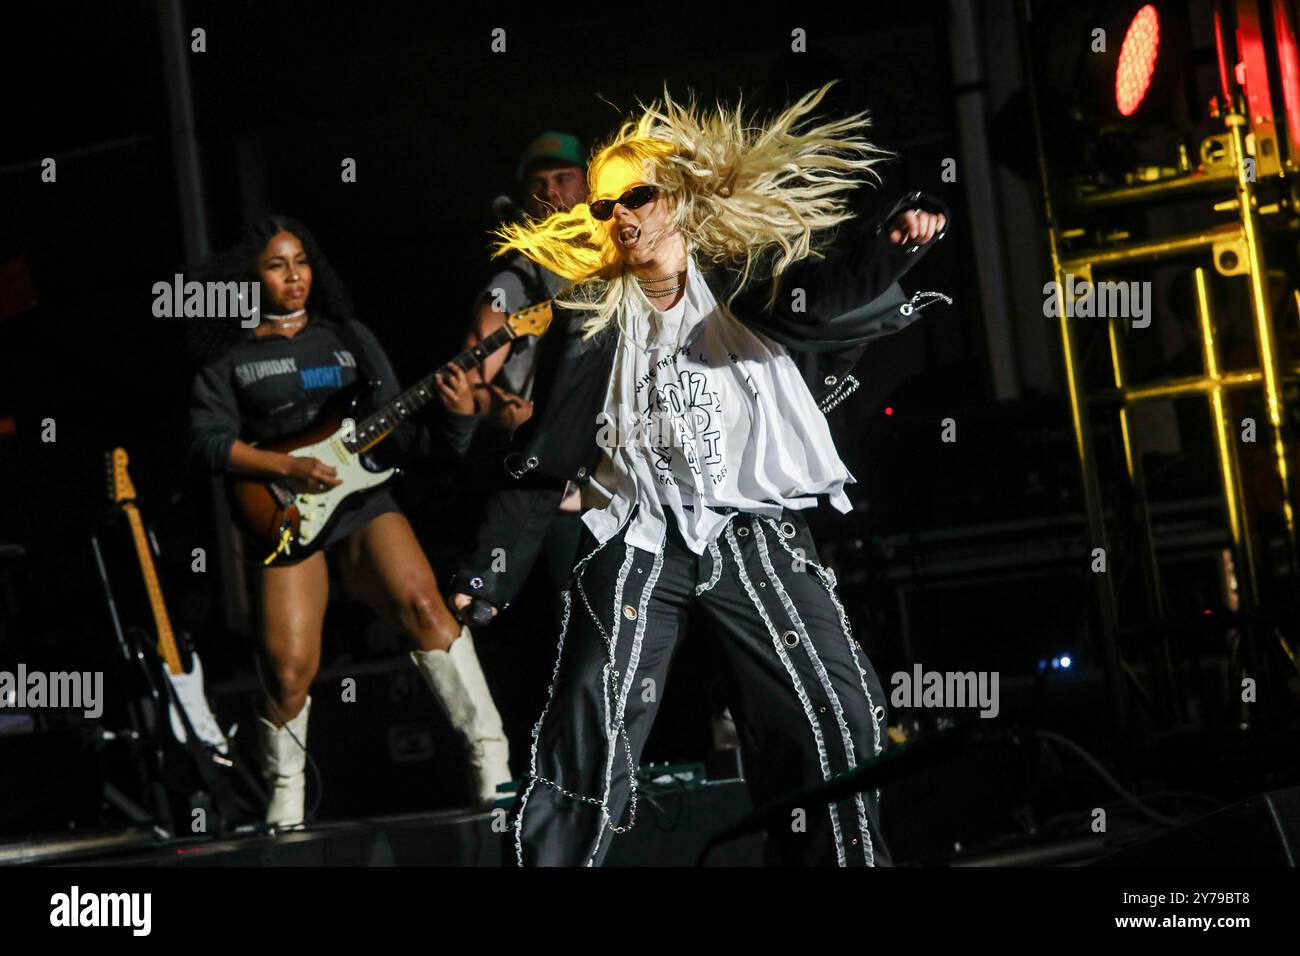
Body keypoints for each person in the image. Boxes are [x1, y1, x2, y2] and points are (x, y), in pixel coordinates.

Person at [450, 82, 951, 866]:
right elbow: (543, 452)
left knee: (835, 708)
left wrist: (894, 246)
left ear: (677, 200)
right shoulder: (589, 322)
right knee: (592, 722)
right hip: (640, 537)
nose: (619, 214)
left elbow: (829, 299)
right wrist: (488, 570)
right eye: (604, 204)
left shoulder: (746, 281)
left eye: (638, 196)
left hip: (746, 525)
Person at [187, 215, 511, 828]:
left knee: (424, 605)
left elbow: (405, 436)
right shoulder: (230, 355)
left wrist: (459, 415)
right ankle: (284, 802)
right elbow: (206, 443)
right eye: (277, 265)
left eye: (302, 262)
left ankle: (492, 763)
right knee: (287, 669)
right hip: (283, 510)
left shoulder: (348, 337)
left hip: (361, 501)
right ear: (249, 277)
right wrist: (287, 465)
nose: (293, 276)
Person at [439, 132, 590, 594]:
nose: (550, 192)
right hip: (564, 490)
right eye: (538, 184)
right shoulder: (517, 278)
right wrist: (499, 407)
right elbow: (471, 375)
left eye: (563, 178)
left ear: (590, 184)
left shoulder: (623, 253)